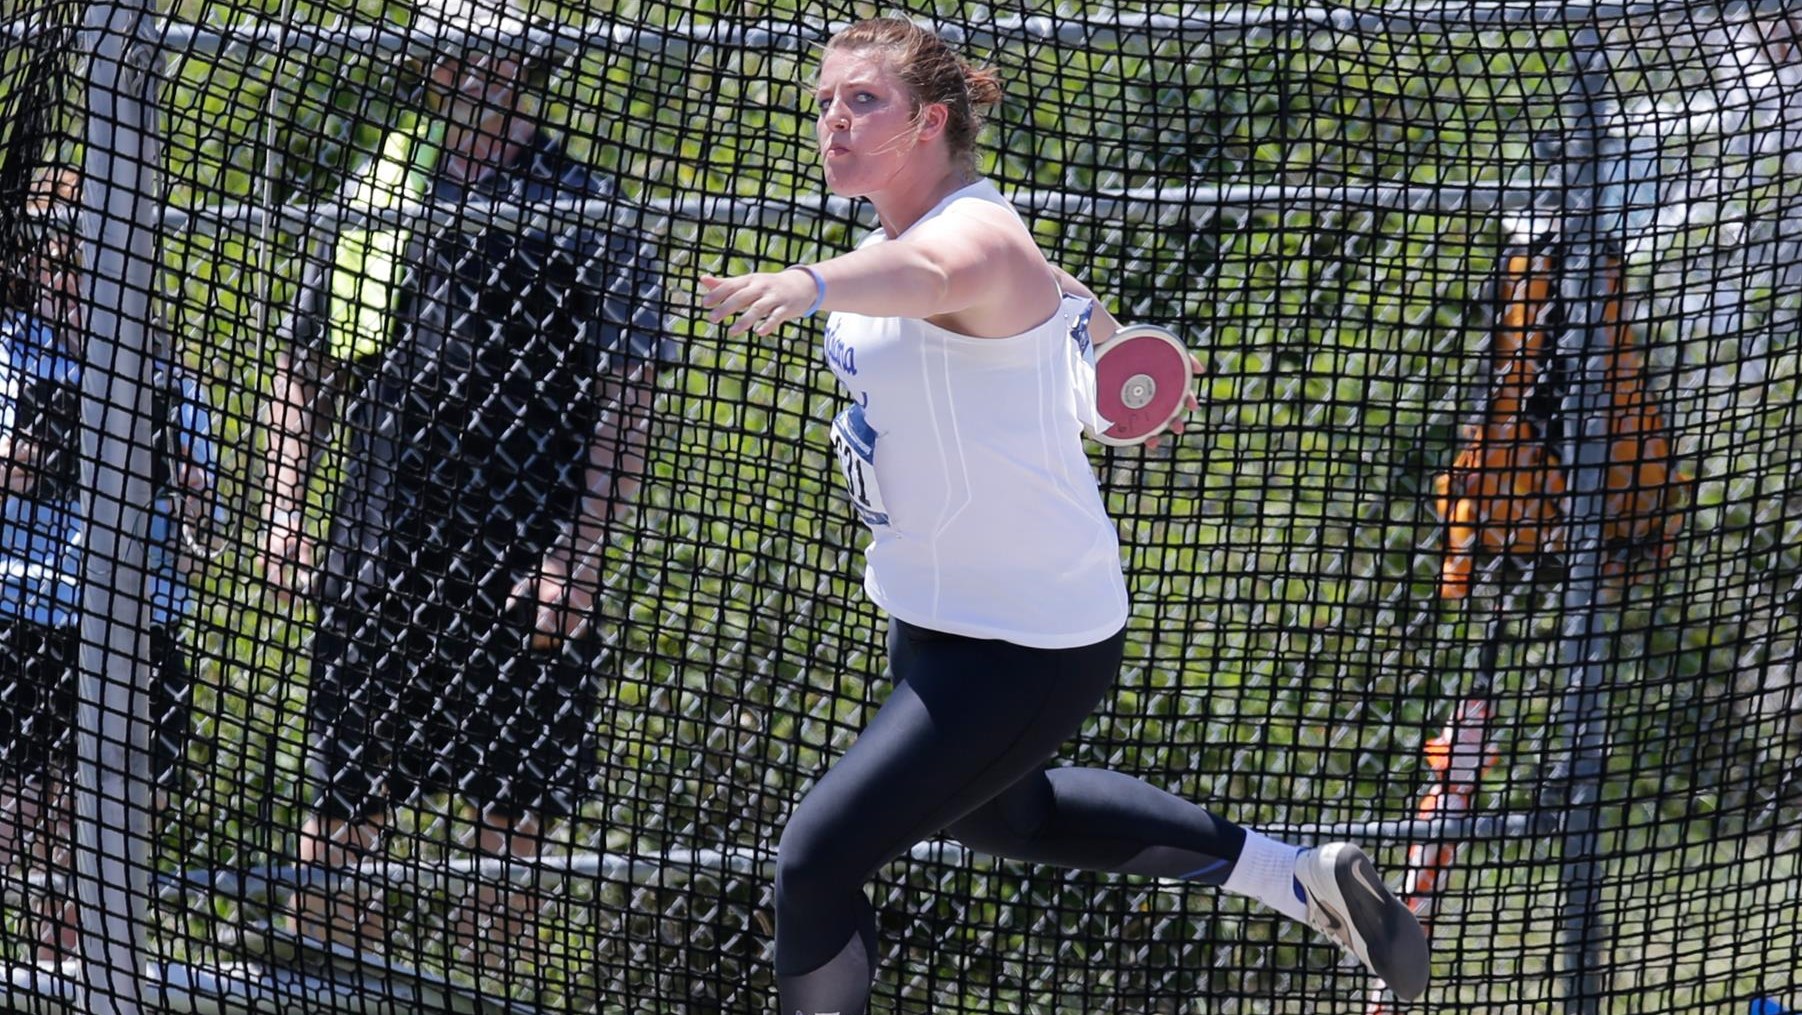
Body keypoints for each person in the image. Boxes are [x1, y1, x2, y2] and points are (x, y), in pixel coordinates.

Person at [698, 18, 1431, 1013]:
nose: (832, 118)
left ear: (930, 121)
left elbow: (945, 277)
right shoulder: (906, 239)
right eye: (823, 100)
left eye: (861, 100)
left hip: (1022, 643)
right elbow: (1047, 299)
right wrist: (1098, 335)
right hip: (936, 621)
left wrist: (809, 282)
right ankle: (1297, 878)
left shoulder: (970, 238)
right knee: (1013, 816)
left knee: (816, 858)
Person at [255, 0, 667, 953]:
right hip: (381, 544)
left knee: (515, 822)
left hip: (528, 560)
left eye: (481, 46)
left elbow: (630, 392)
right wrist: (283, 508)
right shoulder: (381, 190)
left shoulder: (583, 204)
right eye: (442, 46)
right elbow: (302, 364)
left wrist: (584, 549)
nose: (457, 64)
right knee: (343, 797)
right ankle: (321, 971)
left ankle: (474, 980)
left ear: (525, 62)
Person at [0, 166, 215, 965]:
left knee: (115, 848)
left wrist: (178, 479)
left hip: (139, 630)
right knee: (25, 835)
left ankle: (86, 968)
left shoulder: (161, 369)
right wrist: (39, 453)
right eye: (56, 261)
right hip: (27, 619)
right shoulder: (13, 350)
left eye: (87, 259)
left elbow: (204, 528)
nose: (71, 281)